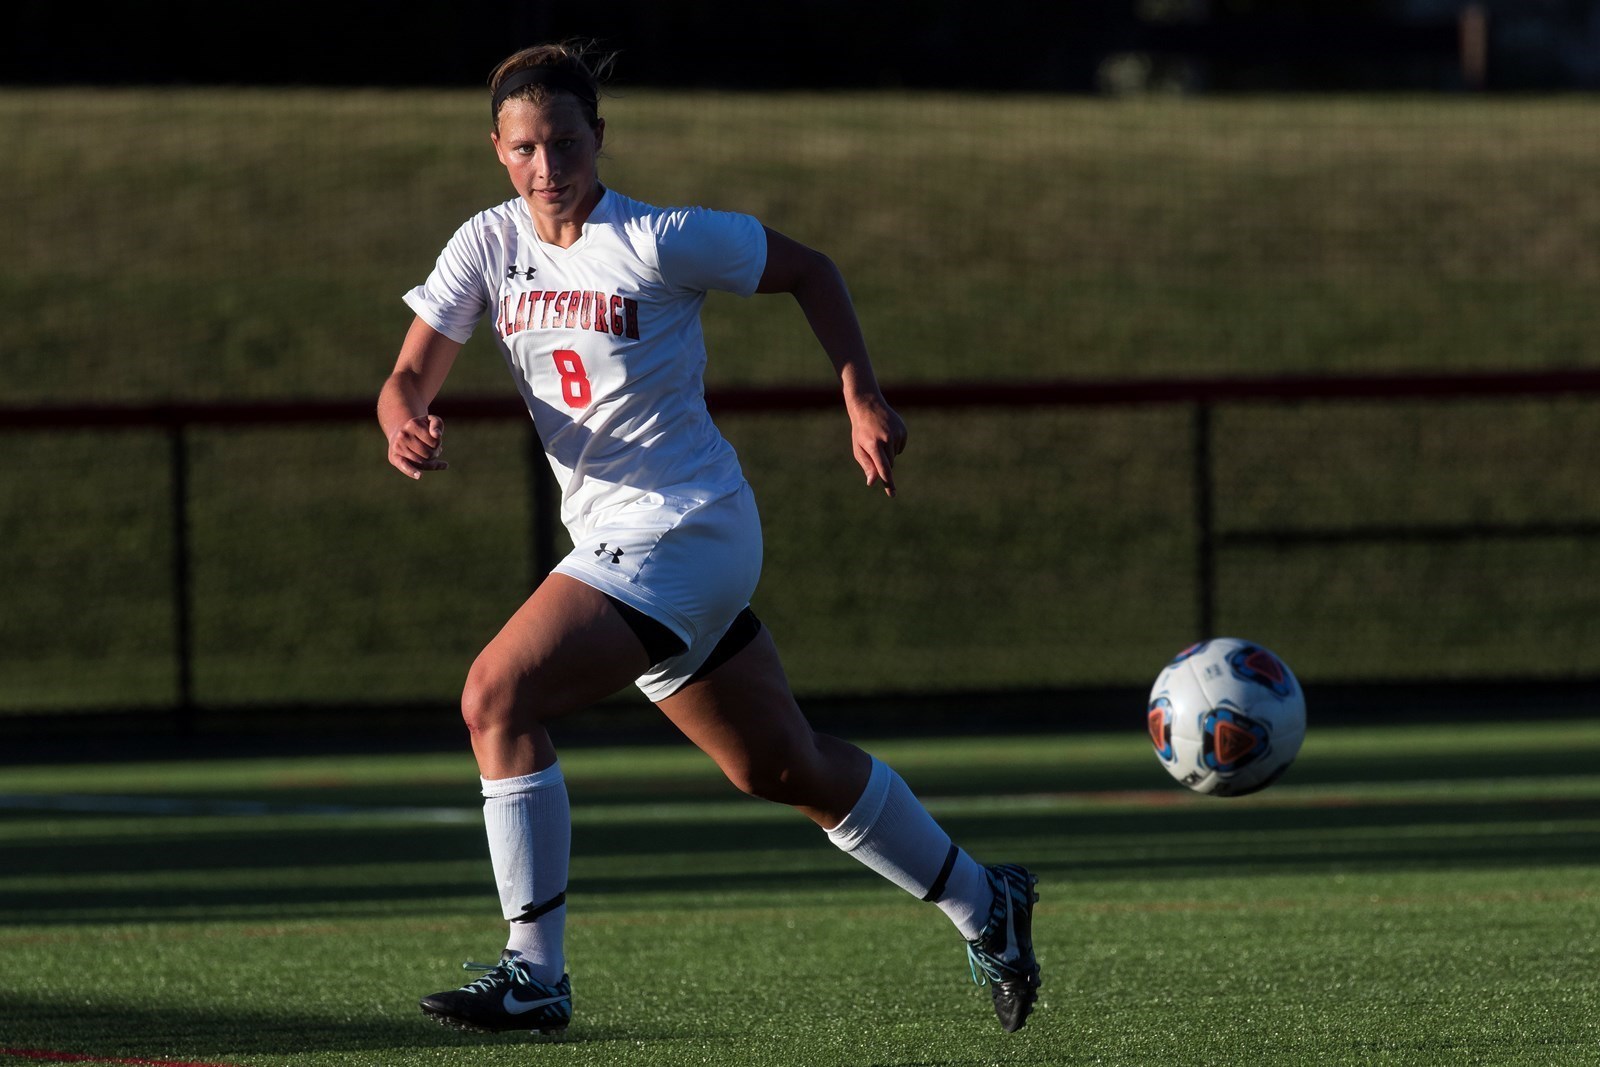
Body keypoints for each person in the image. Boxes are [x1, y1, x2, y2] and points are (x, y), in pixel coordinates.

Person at [377, 40, 1041, 1036]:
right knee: (780, 765)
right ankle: (985, 900)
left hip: (687, 528)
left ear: (598, 138)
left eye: (564, 141)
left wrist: (859, 395)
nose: (546, 166)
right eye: (524, 148)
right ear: (498, 151)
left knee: (494, 694)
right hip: (626, 546)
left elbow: (810, 270)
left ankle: (535, 971)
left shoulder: (657, 237)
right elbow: (408, 374)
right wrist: (402, 417)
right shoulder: (486, 244)